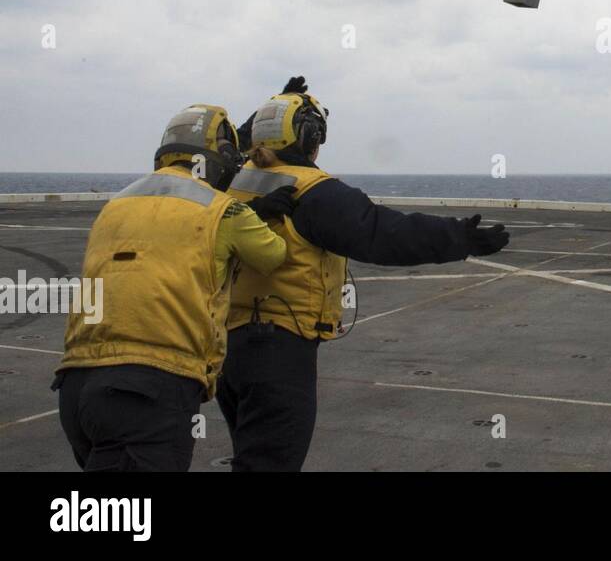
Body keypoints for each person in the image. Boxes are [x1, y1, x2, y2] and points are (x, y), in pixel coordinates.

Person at [218, 76, 510, 471]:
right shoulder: (313, 193)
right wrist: (460, 237)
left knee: (252, 456)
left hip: (229, 349)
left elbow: (228, 148)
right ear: (309, 137)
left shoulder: (235, 179)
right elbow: (383, 234)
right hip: (280, 350)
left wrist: (269, 112)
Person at [54, 104, 289, 471]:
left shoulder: (117, 204)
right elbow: (273, 255)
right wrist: (260, 211)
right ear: (221, 157)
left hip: (77, 385)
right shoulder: (224, 210)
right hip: (147, 388)